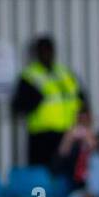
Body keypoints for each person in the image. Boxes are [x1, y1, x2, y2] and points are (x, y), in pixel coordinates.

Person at [11, 35, 86, 168]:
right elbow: (18, 107)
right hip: (41, 136)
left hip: (68, 135)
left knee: (69, 173)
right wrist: (35, 100)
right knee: (41, 177)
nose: (47, 53)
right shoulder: (29, 76)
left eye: (49, 50)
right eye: (43, 50)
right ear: (37, 53)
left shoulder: (66, 74)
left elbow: (82, 102)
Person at [52, 110, 99, 197]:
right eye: (80, 121)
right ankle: (91, 193)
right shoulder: (72, 144)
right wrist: (67, 142)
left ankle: (93, 192)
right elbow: (56, 168)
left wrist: (93, 144)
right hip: (80, 186)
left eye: (85, 121)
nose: (83, 125)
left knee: (96, 159)